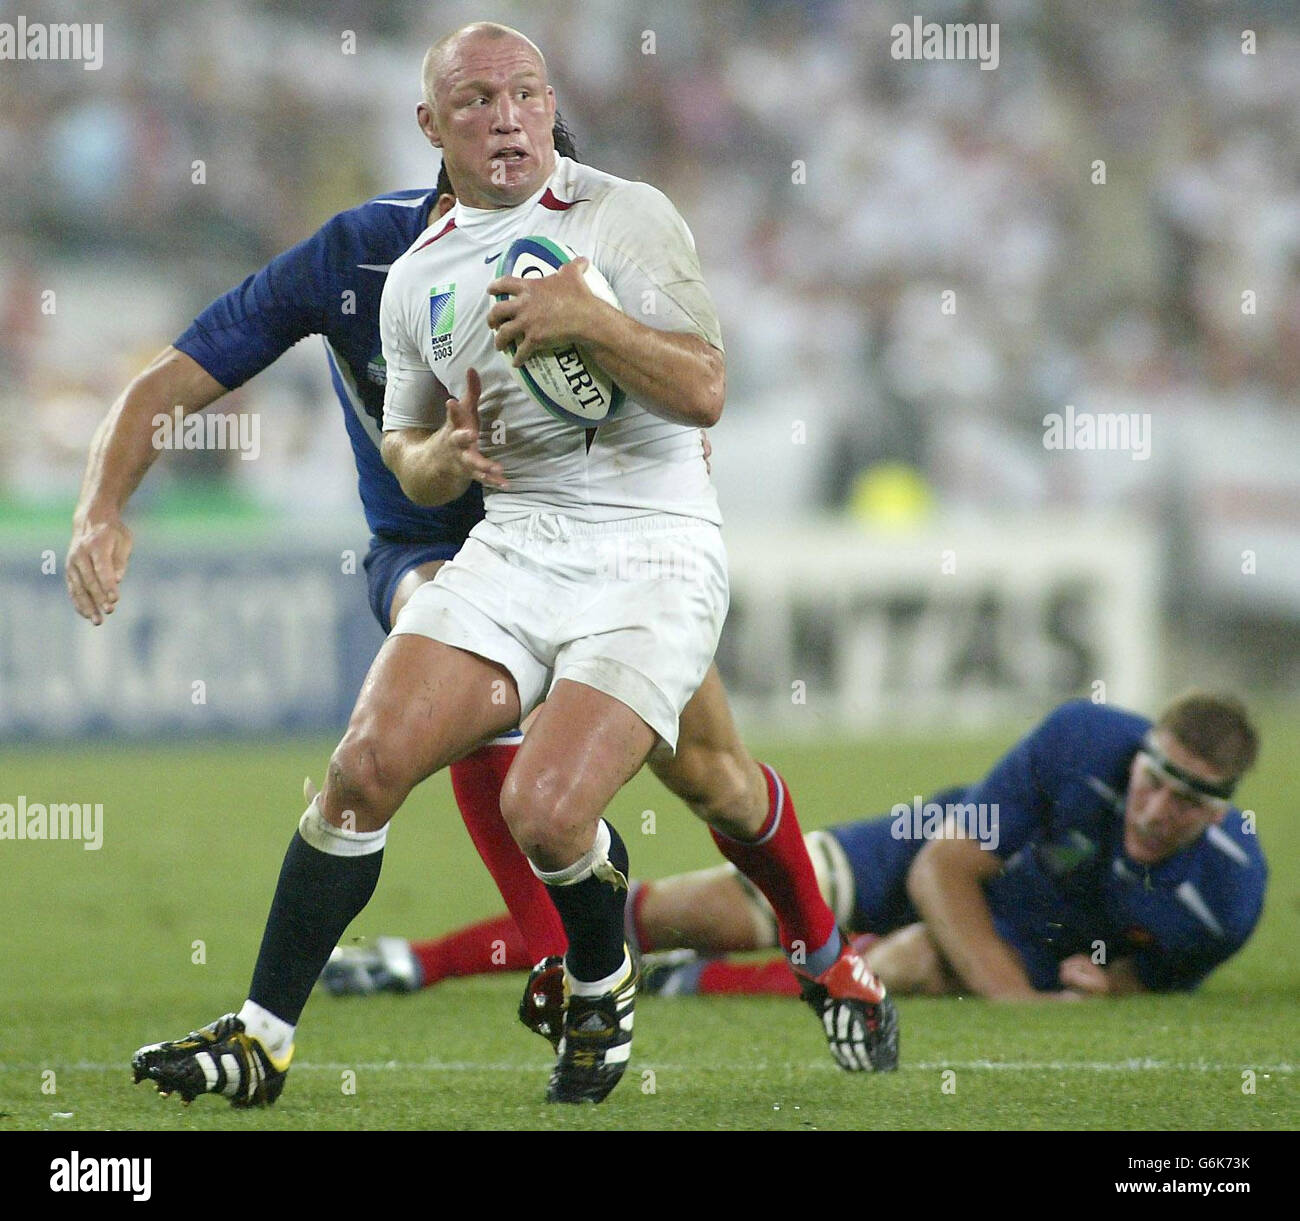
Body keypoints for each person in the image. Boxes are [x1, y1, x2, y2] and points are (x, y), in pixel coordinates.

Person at [121, 22, 896, 1109]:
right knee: (363, 767)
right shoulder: (410, 272)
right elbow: (409, 449)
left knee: (575, 804)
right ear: (431, 126)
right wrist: (437, 458)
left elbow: (704, 388)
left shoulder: (625, 217)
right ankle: (261, 1037)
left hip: (652, 547)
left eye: (525, 93)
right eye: (478, 99)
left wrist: (589, 318)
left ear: (549, 106)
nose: (507, 117)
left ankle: (703, 960)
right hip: (516, 541)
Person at [324, 694, 1267, 1001]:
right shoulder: (1085, 740)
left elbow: (1159, 976)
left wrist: (1117, 988)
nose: (1152, 806)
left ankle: (692, 984)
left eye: (1183, 801)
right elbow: (946, 864)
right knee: (719, 903)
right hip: (937, 844)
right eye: (1153, 776)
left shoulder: (1226, 900)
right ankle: (421, 959)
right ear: (1140, 753)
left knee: (898, 967)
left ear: (1220, 813)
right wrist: (1023, 1006)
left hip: (1028, 921)